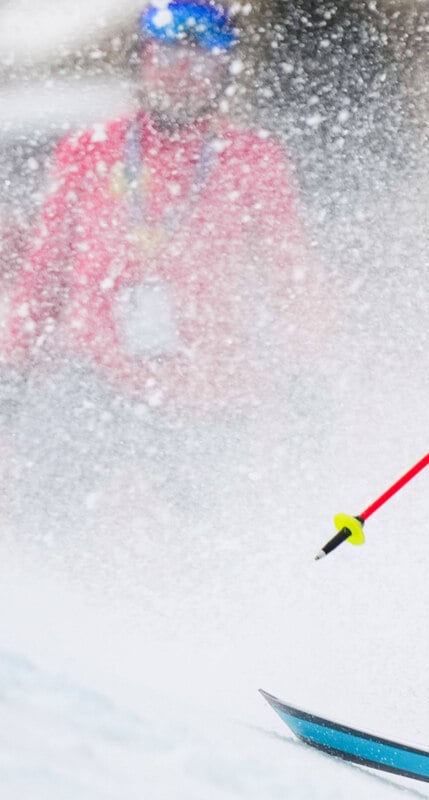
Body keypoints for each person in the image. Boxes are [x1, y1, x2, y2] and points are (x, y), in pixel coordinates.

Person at [0, 1, 325, 524]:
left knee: (216, 541)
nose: (181, 75)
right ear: (140, 60)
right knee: (42, 516)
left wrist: (309, 375)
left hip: (209, 390)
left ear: (223, 73)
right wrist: (14, 366)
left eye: (201, 62)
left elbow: (292, 278)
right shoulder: (89, 150)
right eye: (166, 56)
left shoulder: (251, 160)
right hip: (97, 375)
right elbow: (46, 269)